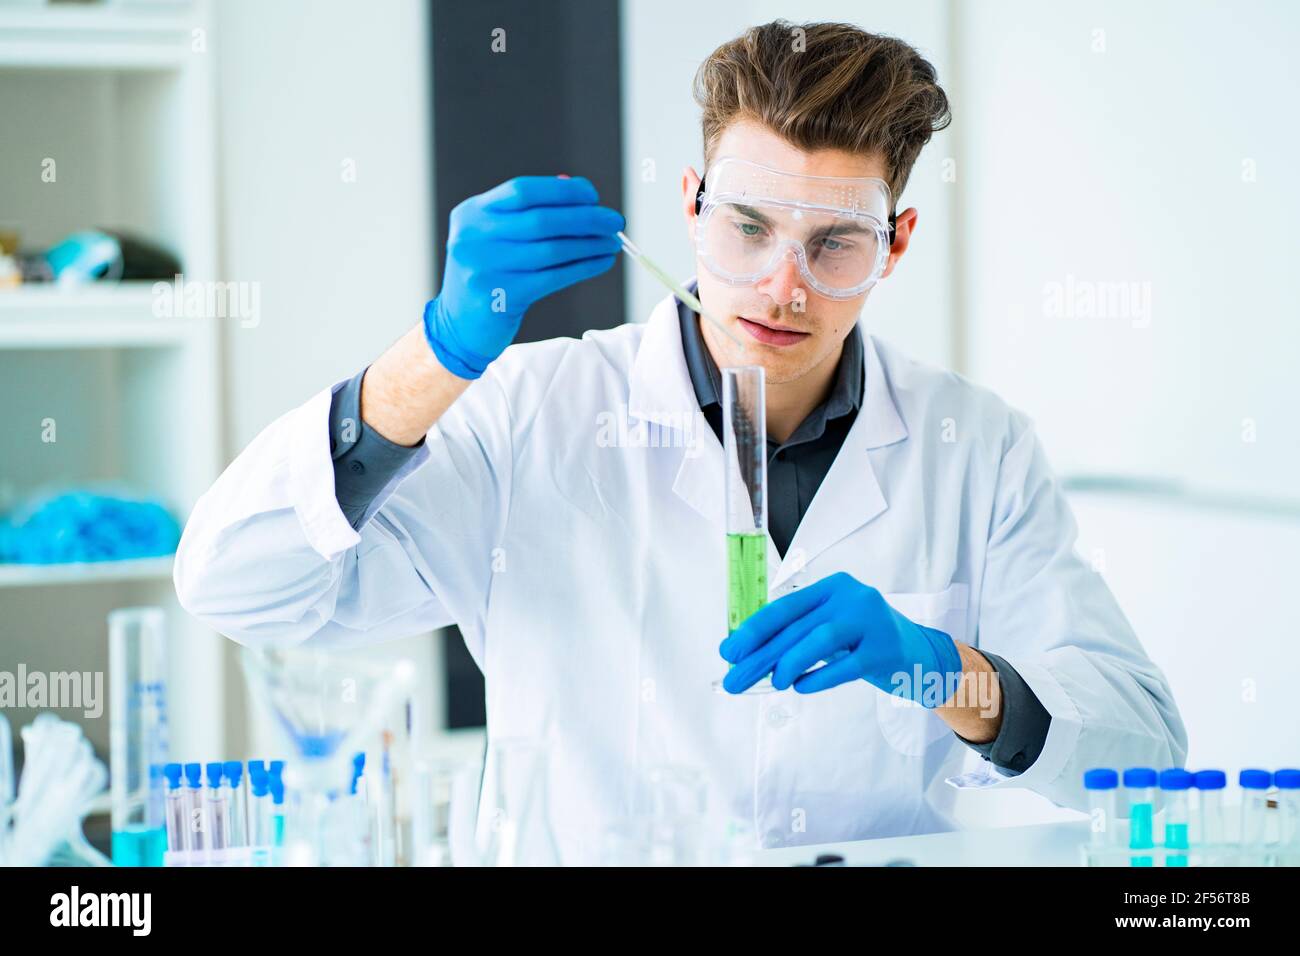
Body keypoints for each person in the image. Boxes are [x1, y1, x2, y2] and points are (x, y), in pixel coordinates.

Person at [175, 20, 1186, 862]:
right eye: (748, 227)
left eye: (835, 241)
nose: (784, 285)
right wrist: (433, 355)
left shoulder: (975, 445)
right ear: (694, 208)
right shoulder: (535, 414)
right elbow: (232, 582)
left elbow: (1147, 757)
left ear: (897, 241)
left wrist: (941, 668)